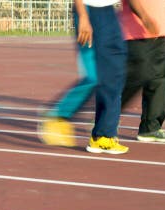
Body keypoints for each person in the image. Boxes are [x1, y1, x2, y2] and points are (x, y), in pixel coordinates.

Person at [38, 0, 129, 154]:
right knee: (94, 76)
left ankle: (104, 135)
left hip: (108, 11)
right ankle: (59, 115)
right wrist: (83, 16)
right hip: (88, 10)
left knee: (114, 73)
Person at [118, 0, 165, 143]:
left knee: (159, 81)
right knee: (136, 76)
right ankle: (106, 116)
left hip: (160, 30)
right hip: (136, 31)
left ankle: (150, 128)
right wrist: (144, 17)